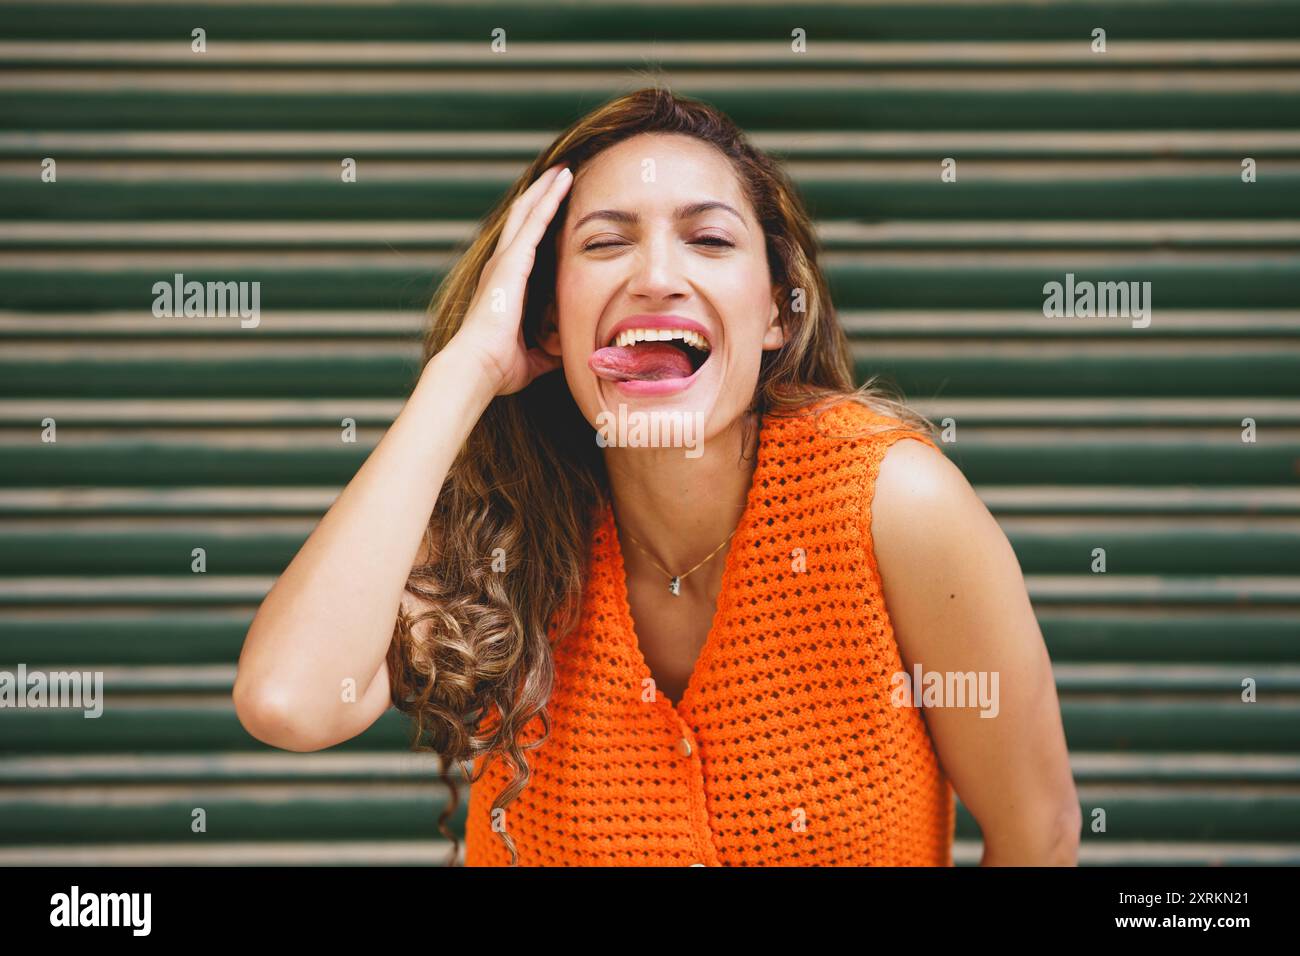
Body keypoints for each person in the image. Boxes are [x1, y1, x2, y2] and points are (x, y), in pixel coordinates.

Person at [233, 86, 1079, 868]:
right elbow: (289, 701)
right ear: (549, 321)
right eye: (605, 243)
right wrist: (466, 369)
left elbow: (1036, 832)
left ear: (779, 310)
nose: (657, 276)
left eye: (709, 239)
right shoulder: (499, 529)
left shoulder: (893, 505)